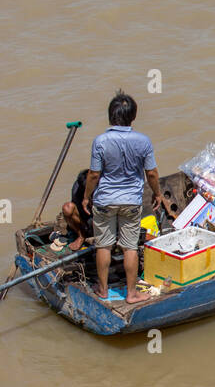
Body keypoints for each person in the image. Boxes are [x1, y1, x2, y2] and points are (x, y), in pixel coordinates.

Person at [63, 90, 161, 304]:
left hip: (105, 200)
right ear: (133, 116)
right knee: (130, 247)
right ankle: (132, 293)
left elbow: (94, 174)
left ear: (110, 116)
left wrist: (87, 198)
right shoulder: (143, 141)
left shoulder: (100, 141)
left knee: (104, 246)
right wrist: (157, 193)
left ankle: (103, 289)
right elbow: (151, 173)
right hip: (131, 202)